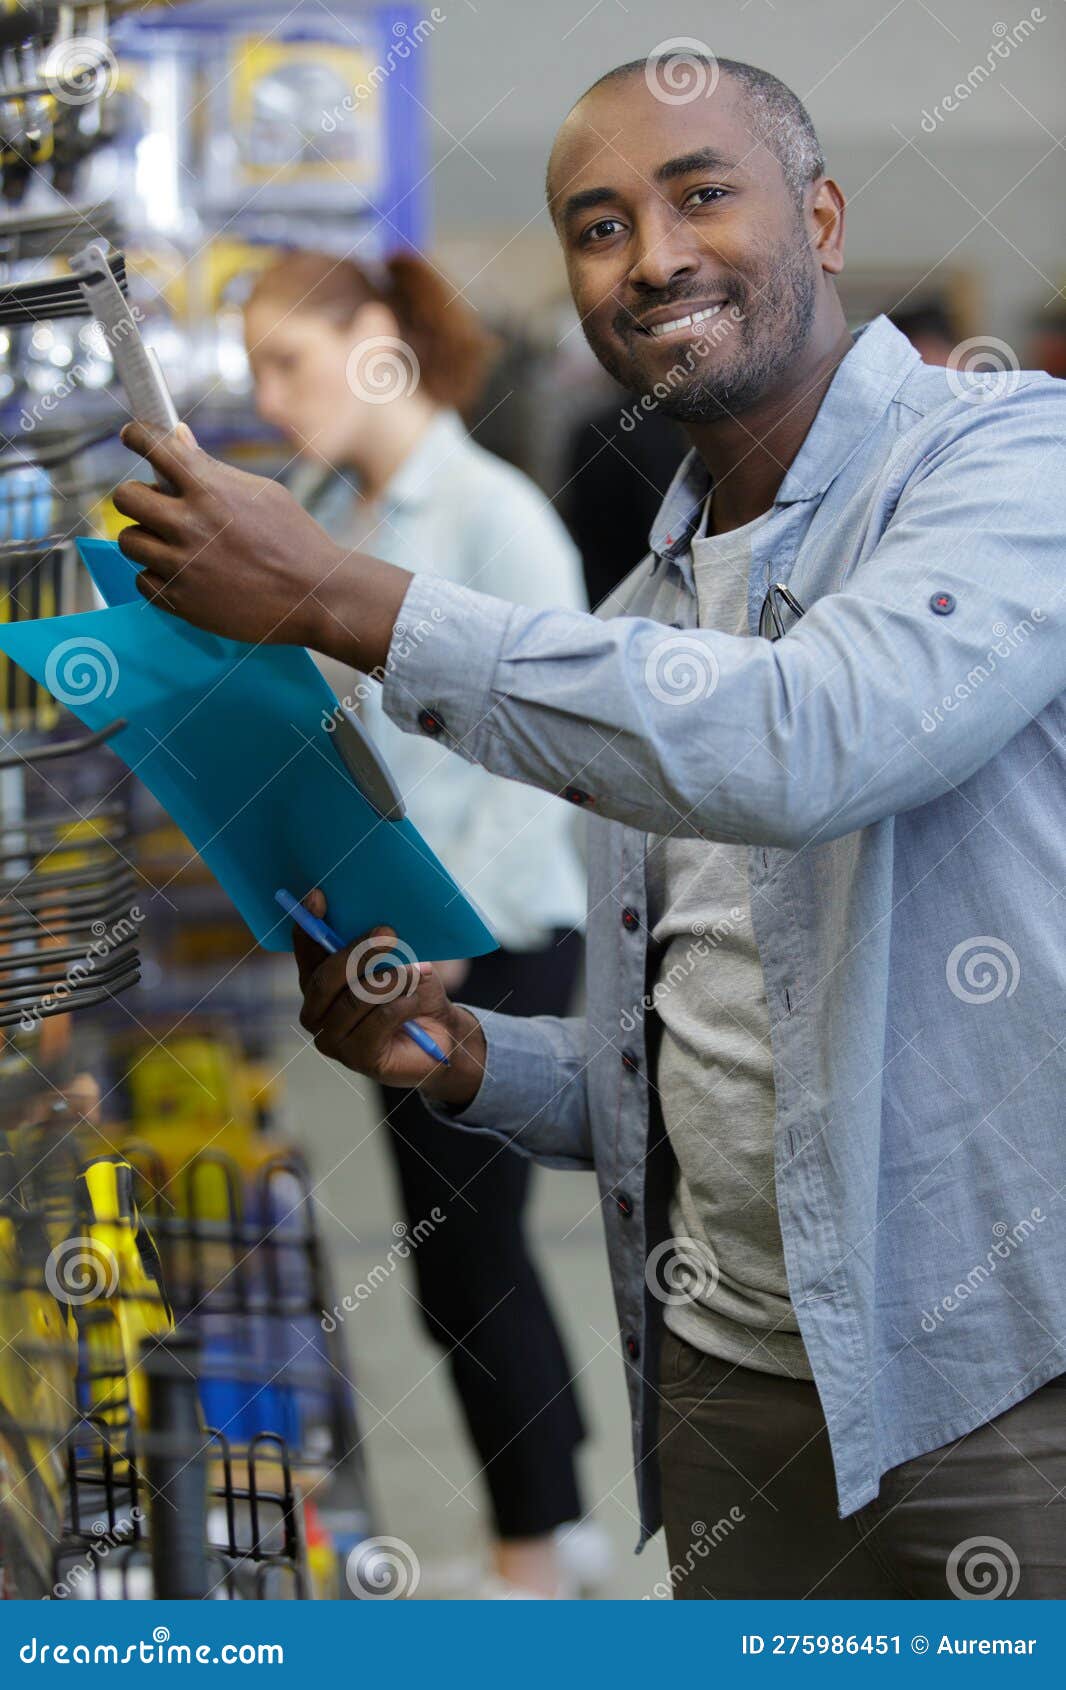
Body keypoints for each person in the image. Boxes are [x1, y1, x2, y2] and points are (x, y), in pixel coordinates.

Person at [112, 55, 1066, 1600]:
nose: (653, 255)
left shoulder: (1011, 462)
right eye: (598, 225)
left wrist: (335, 598)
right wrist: (474, 1059)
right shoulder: (642, 608)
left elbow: (808, 735)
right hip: (720, 1383)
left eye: (700, 194)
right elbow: (699, 1045)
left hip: (1001, 1392)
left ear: (819, 216)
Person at [239, 250, 595, 1599]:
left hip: (490, 932)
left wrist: (454, 932)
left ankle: (528, 1554)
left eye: (287, 360)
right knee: (469, 1249)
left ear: (375, 341)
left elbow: (552, 754)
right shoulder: (327, 507)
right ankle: (552, 1515)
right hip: (394, 931)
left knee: (465, 1257)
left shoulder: (493, 516)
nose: (271, 398)